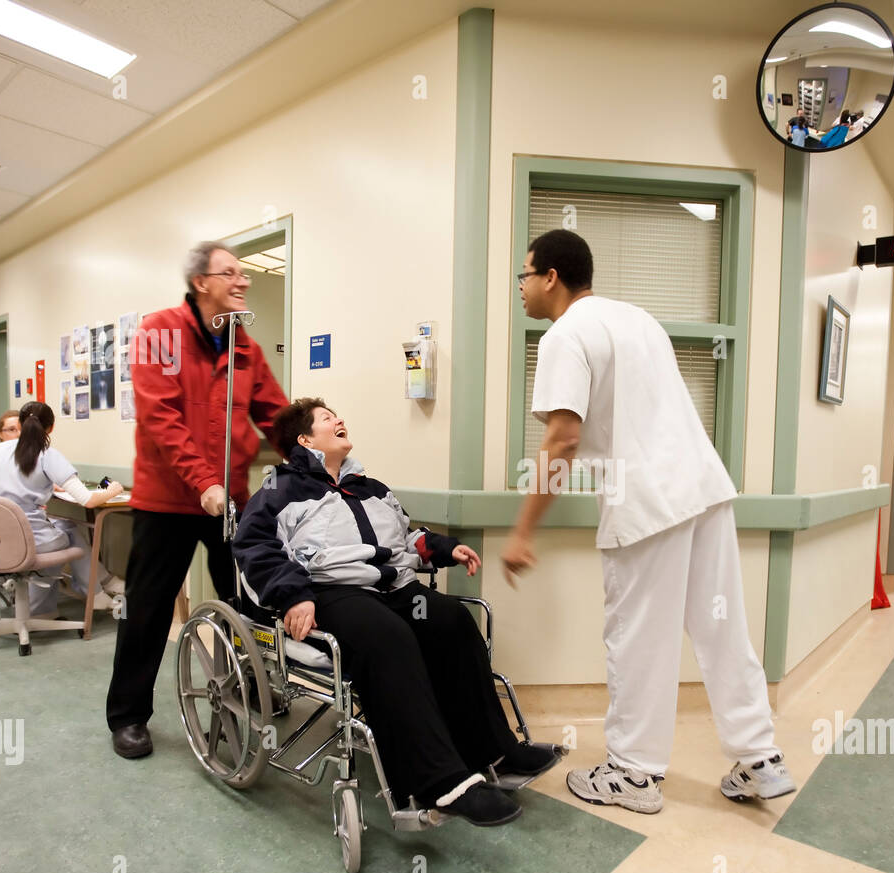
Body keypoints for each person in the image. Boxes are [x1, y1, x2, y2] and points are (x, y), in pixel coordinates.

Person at [501, 229, 795, 814]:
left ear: (551, 277)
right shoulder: (637, 319)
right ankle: (759, 760)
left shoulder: (565, 334)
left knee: (639, 639)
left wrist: (523, 530)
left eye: (524, 276)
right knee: (722, 629)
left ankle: (634, 774)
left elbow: (562, 441)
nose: (522, 289)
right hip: (704, 489)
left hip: (647, 505)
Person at [234, 399, 558, 826]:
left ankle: (497, 752)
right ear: (305, 439)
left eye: (338, 414)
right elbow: (254, 547)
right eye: (328, 418)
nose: (340, 419)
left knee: (452, 621)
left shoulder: (371, 488)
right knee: (387, 635)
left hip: (394, 589)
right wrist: (294, 595)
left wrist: (443, 548)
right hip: (331, 593)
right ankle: (439, 783)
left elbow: (407, 537)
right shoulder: (279, 491)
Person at [105, 241, 290, 760]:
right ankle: (128, 716)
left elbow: (274, 413)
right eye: (230, 273)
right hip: (168, 500)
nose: (243, 281)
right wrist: (202, 480)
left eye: (245, 273)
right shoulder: (158, 332)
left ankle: (250, 685)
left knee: (249, 598)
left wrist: (310, 457)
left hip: (229, 498)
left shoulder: (243, 344)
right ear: (201, 283)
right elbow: (161, 418)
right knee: (148, 608)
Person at [0, 402, 124, 618]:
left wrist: (44, 484)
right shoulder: (46, 454)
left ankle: (50, 607)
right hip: (24, 542)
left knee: (63, 526)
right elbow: (88, 501)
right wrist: (113, 489)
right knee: (70, 532)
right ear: (51, 428)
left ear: (22, 424)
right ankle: (96, 591)